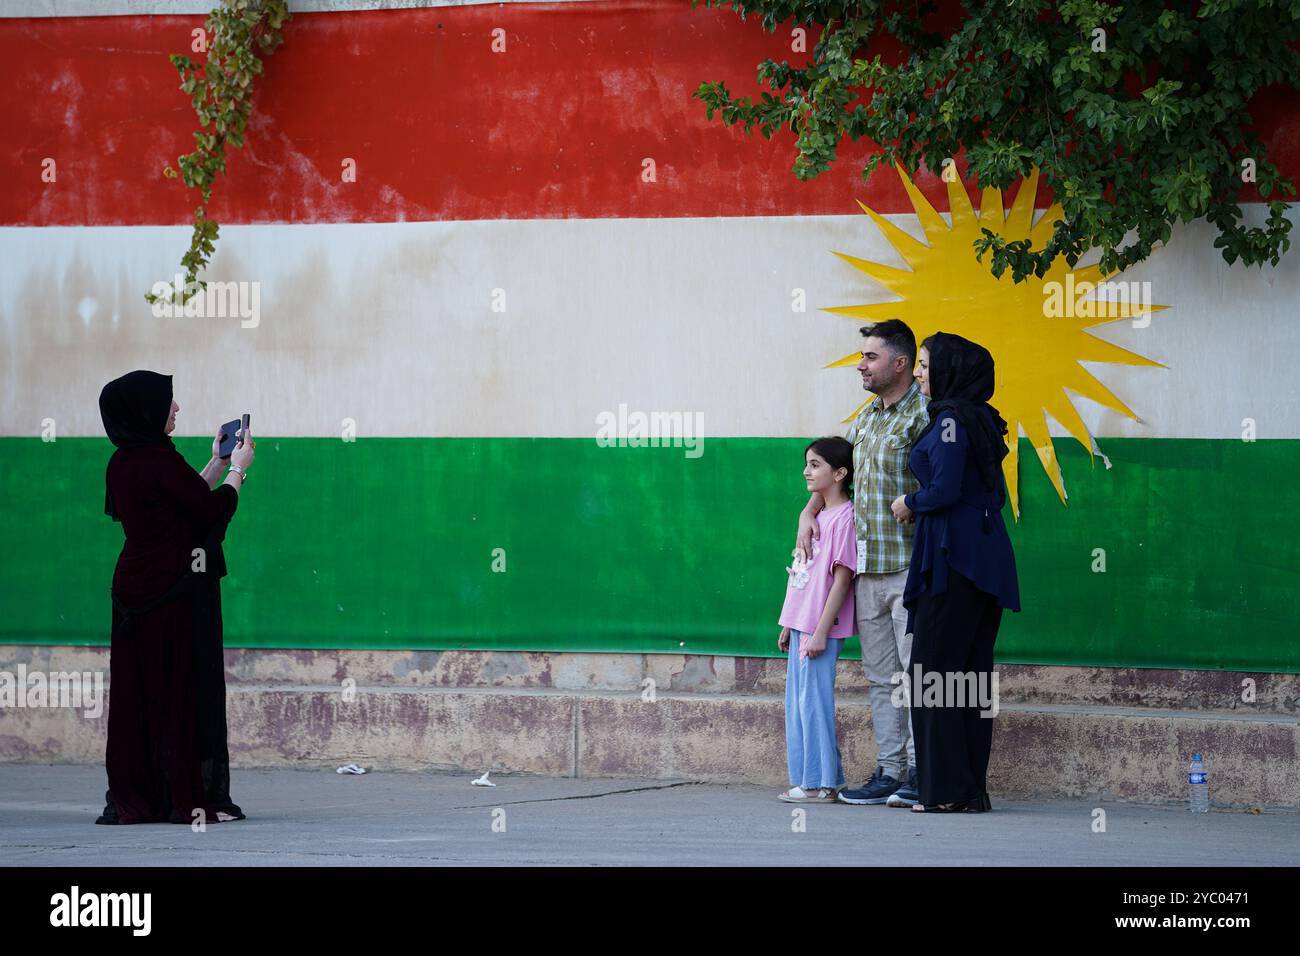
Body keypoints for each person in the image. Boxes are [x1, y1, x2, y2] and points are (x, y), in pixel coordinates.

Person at [95, 370, 255, 825]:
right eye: (169, 401)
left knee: (139, 694)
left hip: (132, 593)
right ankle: (186, 796)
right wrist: (240, 469)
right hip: (173, 592)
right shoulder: (159, 461)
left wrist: (217, 465)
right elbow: (209, 509)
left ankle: (143, 796)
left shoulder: (124, 462)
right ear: (146, 409)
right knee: (181, 693)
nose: (177, 408)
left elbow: (180, 500)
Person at [798, 319, 929, 808]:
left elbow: (942, 482)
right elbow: (839, 477)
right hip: (866, 569)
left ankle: (919, 770)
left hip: (910, 566)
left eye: (871, 357)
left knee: (915, 675)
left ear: (900, 363)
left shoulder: (926, 415)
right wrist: (808, 512)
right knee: (881, 677)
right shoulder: (868, 418)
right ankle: (889, 771)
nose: (861, 365)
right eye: (862, 357)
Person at [890, 332, 1020, 813]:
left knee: (933, 675)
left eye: (925, 365)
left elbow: (943, 490)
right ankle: (966, 790)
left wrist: (910, 502)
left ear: (950, 370)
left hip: (953, 561)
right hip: (982, 561)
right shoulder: (978, 417)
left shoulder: (949, 421)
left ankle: (944, 791)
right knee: (969, 678)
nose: (919, 373)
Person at [776, 437, 858, 803]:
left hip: (820, 629)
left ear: (839, 473)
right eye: (807, 464)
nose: (806, 471)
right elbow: (804, 576)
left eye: (815, 465)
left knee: (814, 704)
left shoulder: (845, 519)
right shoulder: (816, 518)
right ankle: (814, 779)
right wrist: (790, 623)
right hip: (801, 626)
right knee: (798, 703)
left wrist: (821, 632)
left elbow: (842, 581)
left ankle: (819, 783)